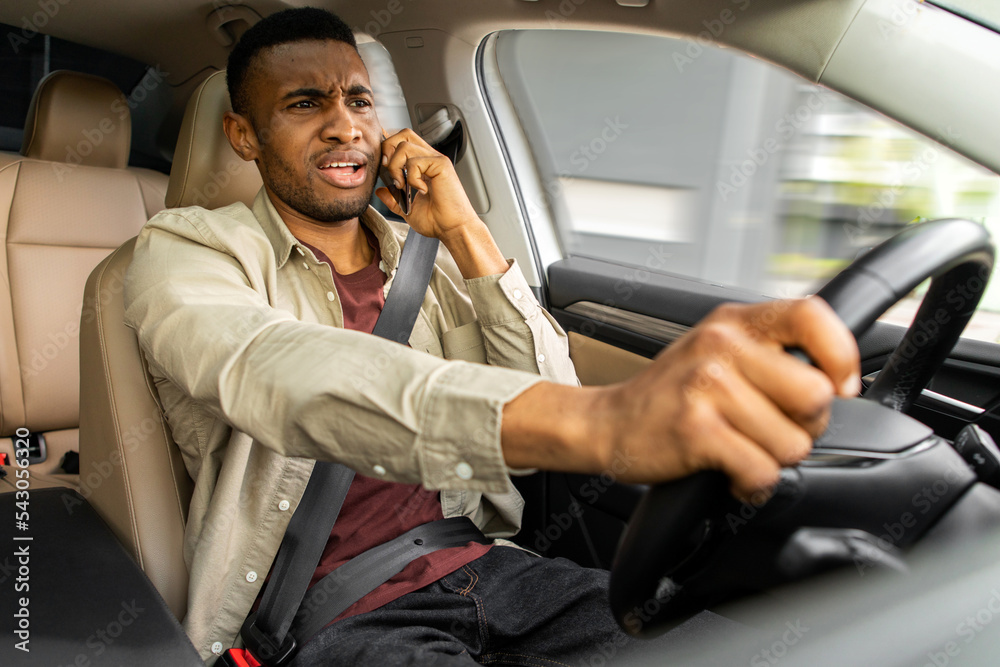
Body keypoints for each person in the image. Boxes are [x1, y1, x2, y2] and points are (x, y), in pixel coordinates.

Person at [123, 7, 859, 666]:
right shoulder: (186, 250)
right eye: (305, 103)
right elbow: (274, 372)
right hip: (330, 613)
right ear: (243, 135)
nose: (346, 126)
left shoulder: (424, 260)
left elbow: (549, 382)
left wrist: (465, 228)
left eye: (358, 101)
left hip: (488, 566)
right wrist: (607, 421)